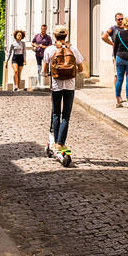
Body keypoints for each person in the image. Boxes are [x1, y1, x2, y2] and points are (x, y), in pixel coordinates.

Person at [41, 26, 84, 166]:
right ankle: (60, 143)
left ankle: (54, 143)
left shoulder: (50, 50)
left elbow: (44, 69)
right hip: (70, 87)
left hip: (56, 86)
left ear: (54, 36)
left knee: (55, 113)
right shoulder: (73, 49)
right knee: (66, 116)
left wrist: (45, 73)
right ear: (66, 35)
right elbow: (81, 68)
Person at [31, 24, 53, 89]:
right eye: (42, 29)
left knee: (46, 68)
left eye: (45, 29)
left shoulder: (48, 37)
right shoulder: (37, 36)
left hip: (45, 55)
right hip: (38, 54)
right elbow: (32, 43)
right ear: (41, 29)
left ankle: (46, 84)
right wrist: (35, 46)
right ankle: (39, 82)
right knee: (39, 68)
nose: (43, 30)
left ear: (46, 29)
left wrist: (43, 47)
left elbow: (50, 46)